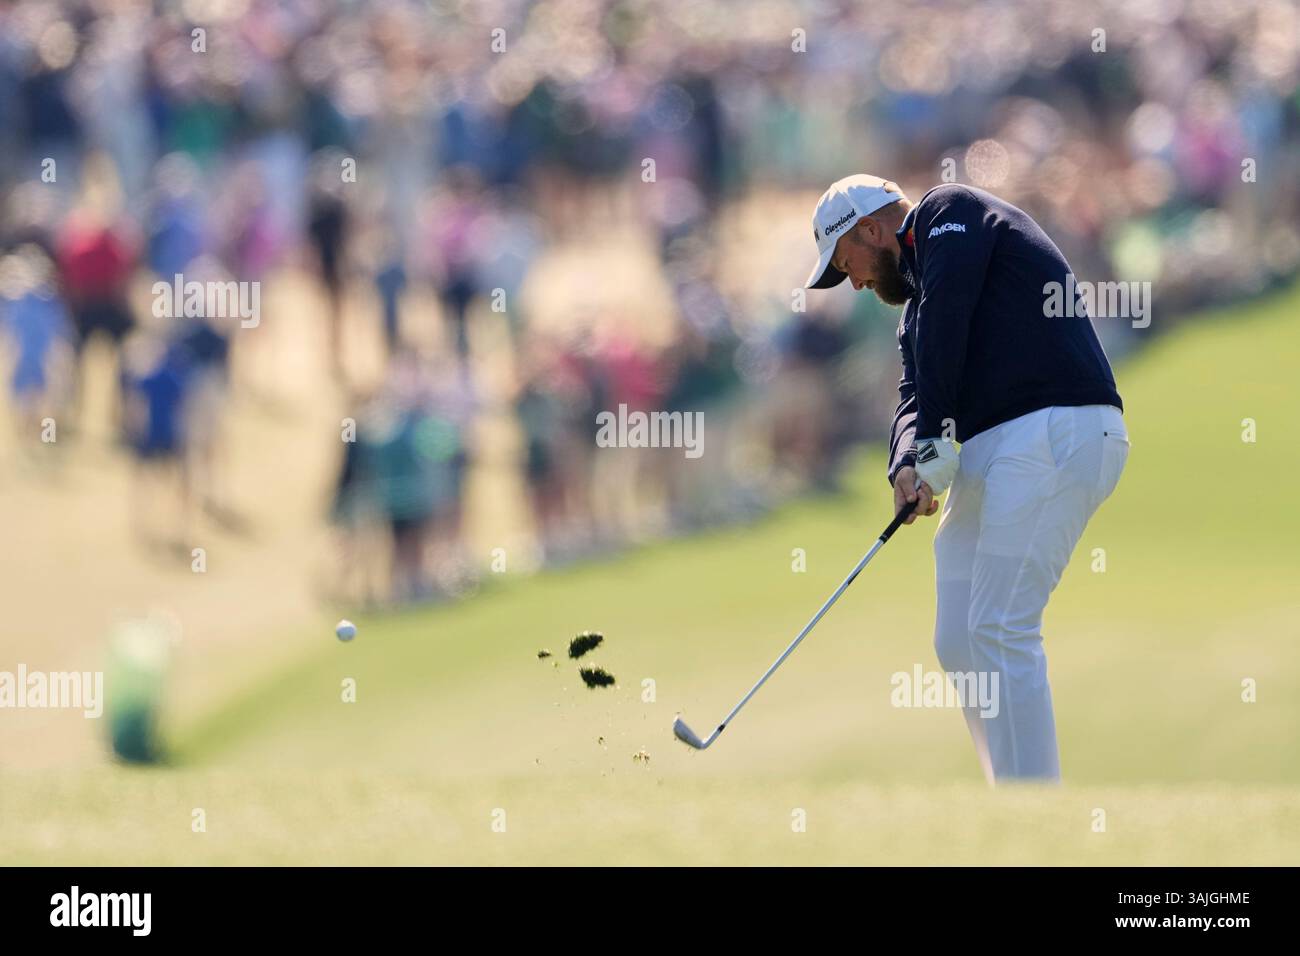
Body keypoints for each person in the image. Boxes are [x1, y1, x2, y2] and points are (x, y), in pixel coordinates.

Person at [805, 174, 1128, 784]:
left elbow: (951, 316)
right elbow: (913, 390)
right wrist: (907, 464)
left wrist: (936, 439)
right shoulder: (915, 315)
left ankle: (1034, 817)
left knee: (999, 627)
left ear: (872, 230)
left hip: (1057, 426)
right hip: (1001, 448)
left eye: (848, 263)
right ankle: (1009, 792)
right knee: (958, 636)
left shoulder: (948, 211)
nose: (854, 281)